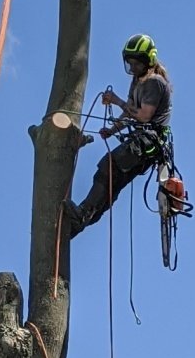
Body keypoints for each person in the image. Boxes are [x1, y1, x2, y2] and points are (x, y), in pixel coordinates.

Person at [66, 34, 171, 236]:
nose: (132, 68)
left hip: (148, 142)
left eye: (137, 64)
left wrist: (116, 101)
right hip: (141, 143)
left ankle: (82, 214)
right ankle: (80, 223)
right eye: (130, 63)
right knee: (112, 184)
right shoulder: (138, 81)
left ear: (148, 61)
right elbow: (131, 111)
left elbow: (143, 115)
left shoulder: (154, 83)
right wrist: (113, 130)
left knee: (108, 167)